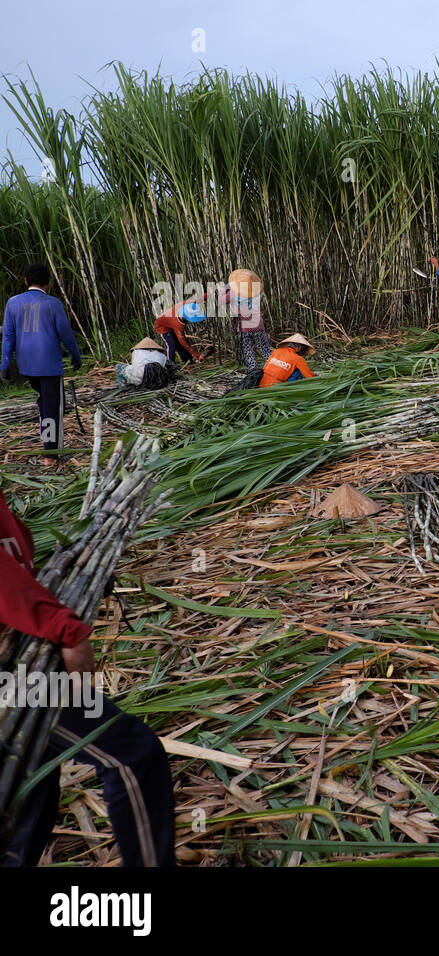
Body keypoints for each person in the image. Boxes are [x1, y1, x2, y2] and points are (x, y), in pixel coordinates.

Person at [0, 487, 175, 867]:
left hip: (21, 661)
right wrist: (63, 626)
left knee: (31, 786)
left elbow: (14, 565)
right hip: (11, 678)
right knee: (131, 755)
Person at [1, 263, 82, 467]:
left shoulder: (12, 303)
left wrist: (4, 365)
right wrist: (75, 355)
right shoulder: (53, 304)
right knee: (52, 409)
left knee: (44, 404)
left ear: (26, 281)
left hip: (27, 365)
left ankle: (48, 444)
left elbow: (8, 337)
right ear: (49, 283)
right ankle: (50, 455)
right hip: (49, 365)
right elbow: (66, 333)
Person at [224, 268, 272, 372]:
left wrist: (224, 288)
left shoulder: (233, 292)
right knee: (265, 349)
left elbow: (221, 300)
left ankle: (252, 372)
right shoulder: (256, 292)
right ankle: (275, 367)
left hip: (244, 327)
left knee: (248, 351)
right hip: (258, 325)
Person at [153, 300, 205, 365]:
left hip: (169, 322)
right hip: (162, 326)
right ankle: (171, 364)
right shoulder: (178, 324)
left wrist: (210, 293)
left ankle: (187, 360)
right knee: (172, 343)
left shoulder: (186, 305)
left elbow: (198, 299)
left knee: (178, 342)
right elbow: (183, 342)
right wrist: (197, 355)